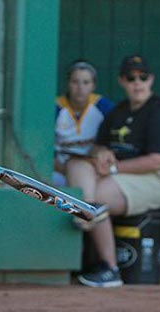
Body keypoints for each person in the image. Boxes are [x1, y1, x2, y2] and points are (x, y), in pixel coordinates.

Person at [75, 55, 160, 288]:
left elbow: (157, 161)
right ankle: (86, 210)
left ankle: (110, 267)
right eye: (131, 78)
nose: (137, 83)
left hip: (158, 181)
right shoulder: (117, 111)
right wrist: (102, 154)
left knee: (98, 197)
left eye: (143, 77)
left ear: (151, 79)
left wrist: (113, 168)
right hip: (120, 175)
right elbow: (98, 145)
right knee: (79, 168)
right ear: (122, 80)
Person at [53, 59, 114, 227]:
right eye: (75, 82)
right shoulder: (56, 107)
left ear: (93, 85)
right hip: (59, 169)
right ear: (68, 84)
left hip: (93, 170)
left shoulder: (103, 106)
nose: (80, 88)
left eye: (86, 82)